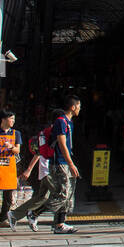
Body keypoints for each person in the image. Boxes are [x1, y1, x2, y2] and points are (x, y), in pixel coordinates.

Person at [9, 111, 57, 232]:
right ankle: (40, 216)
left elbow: (38, 152)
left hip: (46, 169)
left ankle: (14, 215)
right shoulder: (50, 133)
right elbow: (39, 152)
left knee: (42, 197)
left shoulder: (46, 132)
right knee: (60, 194)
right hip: (48, 169)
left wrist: (29, 169)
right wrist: (29, 169)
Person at [46, 95, 81, 233]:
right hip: (60, 162)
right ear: (73, 107)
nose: (80, 108)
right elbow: (62, 144)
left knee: (68, 193)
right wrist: (71, 164)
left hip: (66, 162)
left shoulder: (69, 122)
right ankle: (35, 212)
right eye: (79, 106)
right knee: (62, 194)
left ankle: (59, 224)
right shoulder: (61, 121)